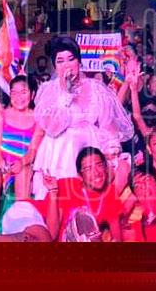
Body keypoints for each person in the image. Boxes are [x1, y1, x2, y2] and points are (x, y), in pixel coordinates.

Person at [31, 36, 134, 198]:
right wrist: (65, 93)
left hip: (91, 145)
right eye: (60, 61)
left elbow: (108, 125)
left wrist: (112, 148)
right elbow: (52, 128)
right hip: (60, 148)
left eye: (71, 59)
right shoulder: (49, 89)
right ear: (55, 66)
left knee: (118, 169)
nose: (66, 65)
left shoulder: (96, 88)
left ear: (79, 62)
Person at [40, 147, 124, 242]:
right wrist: (53, 191)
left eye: (99, 165)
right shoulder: (66, 187)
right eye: (88, 169)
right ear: (80, 176)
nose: (96, 173)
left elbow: (117, 236)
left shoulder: (111, 192)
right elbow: (51, 234)